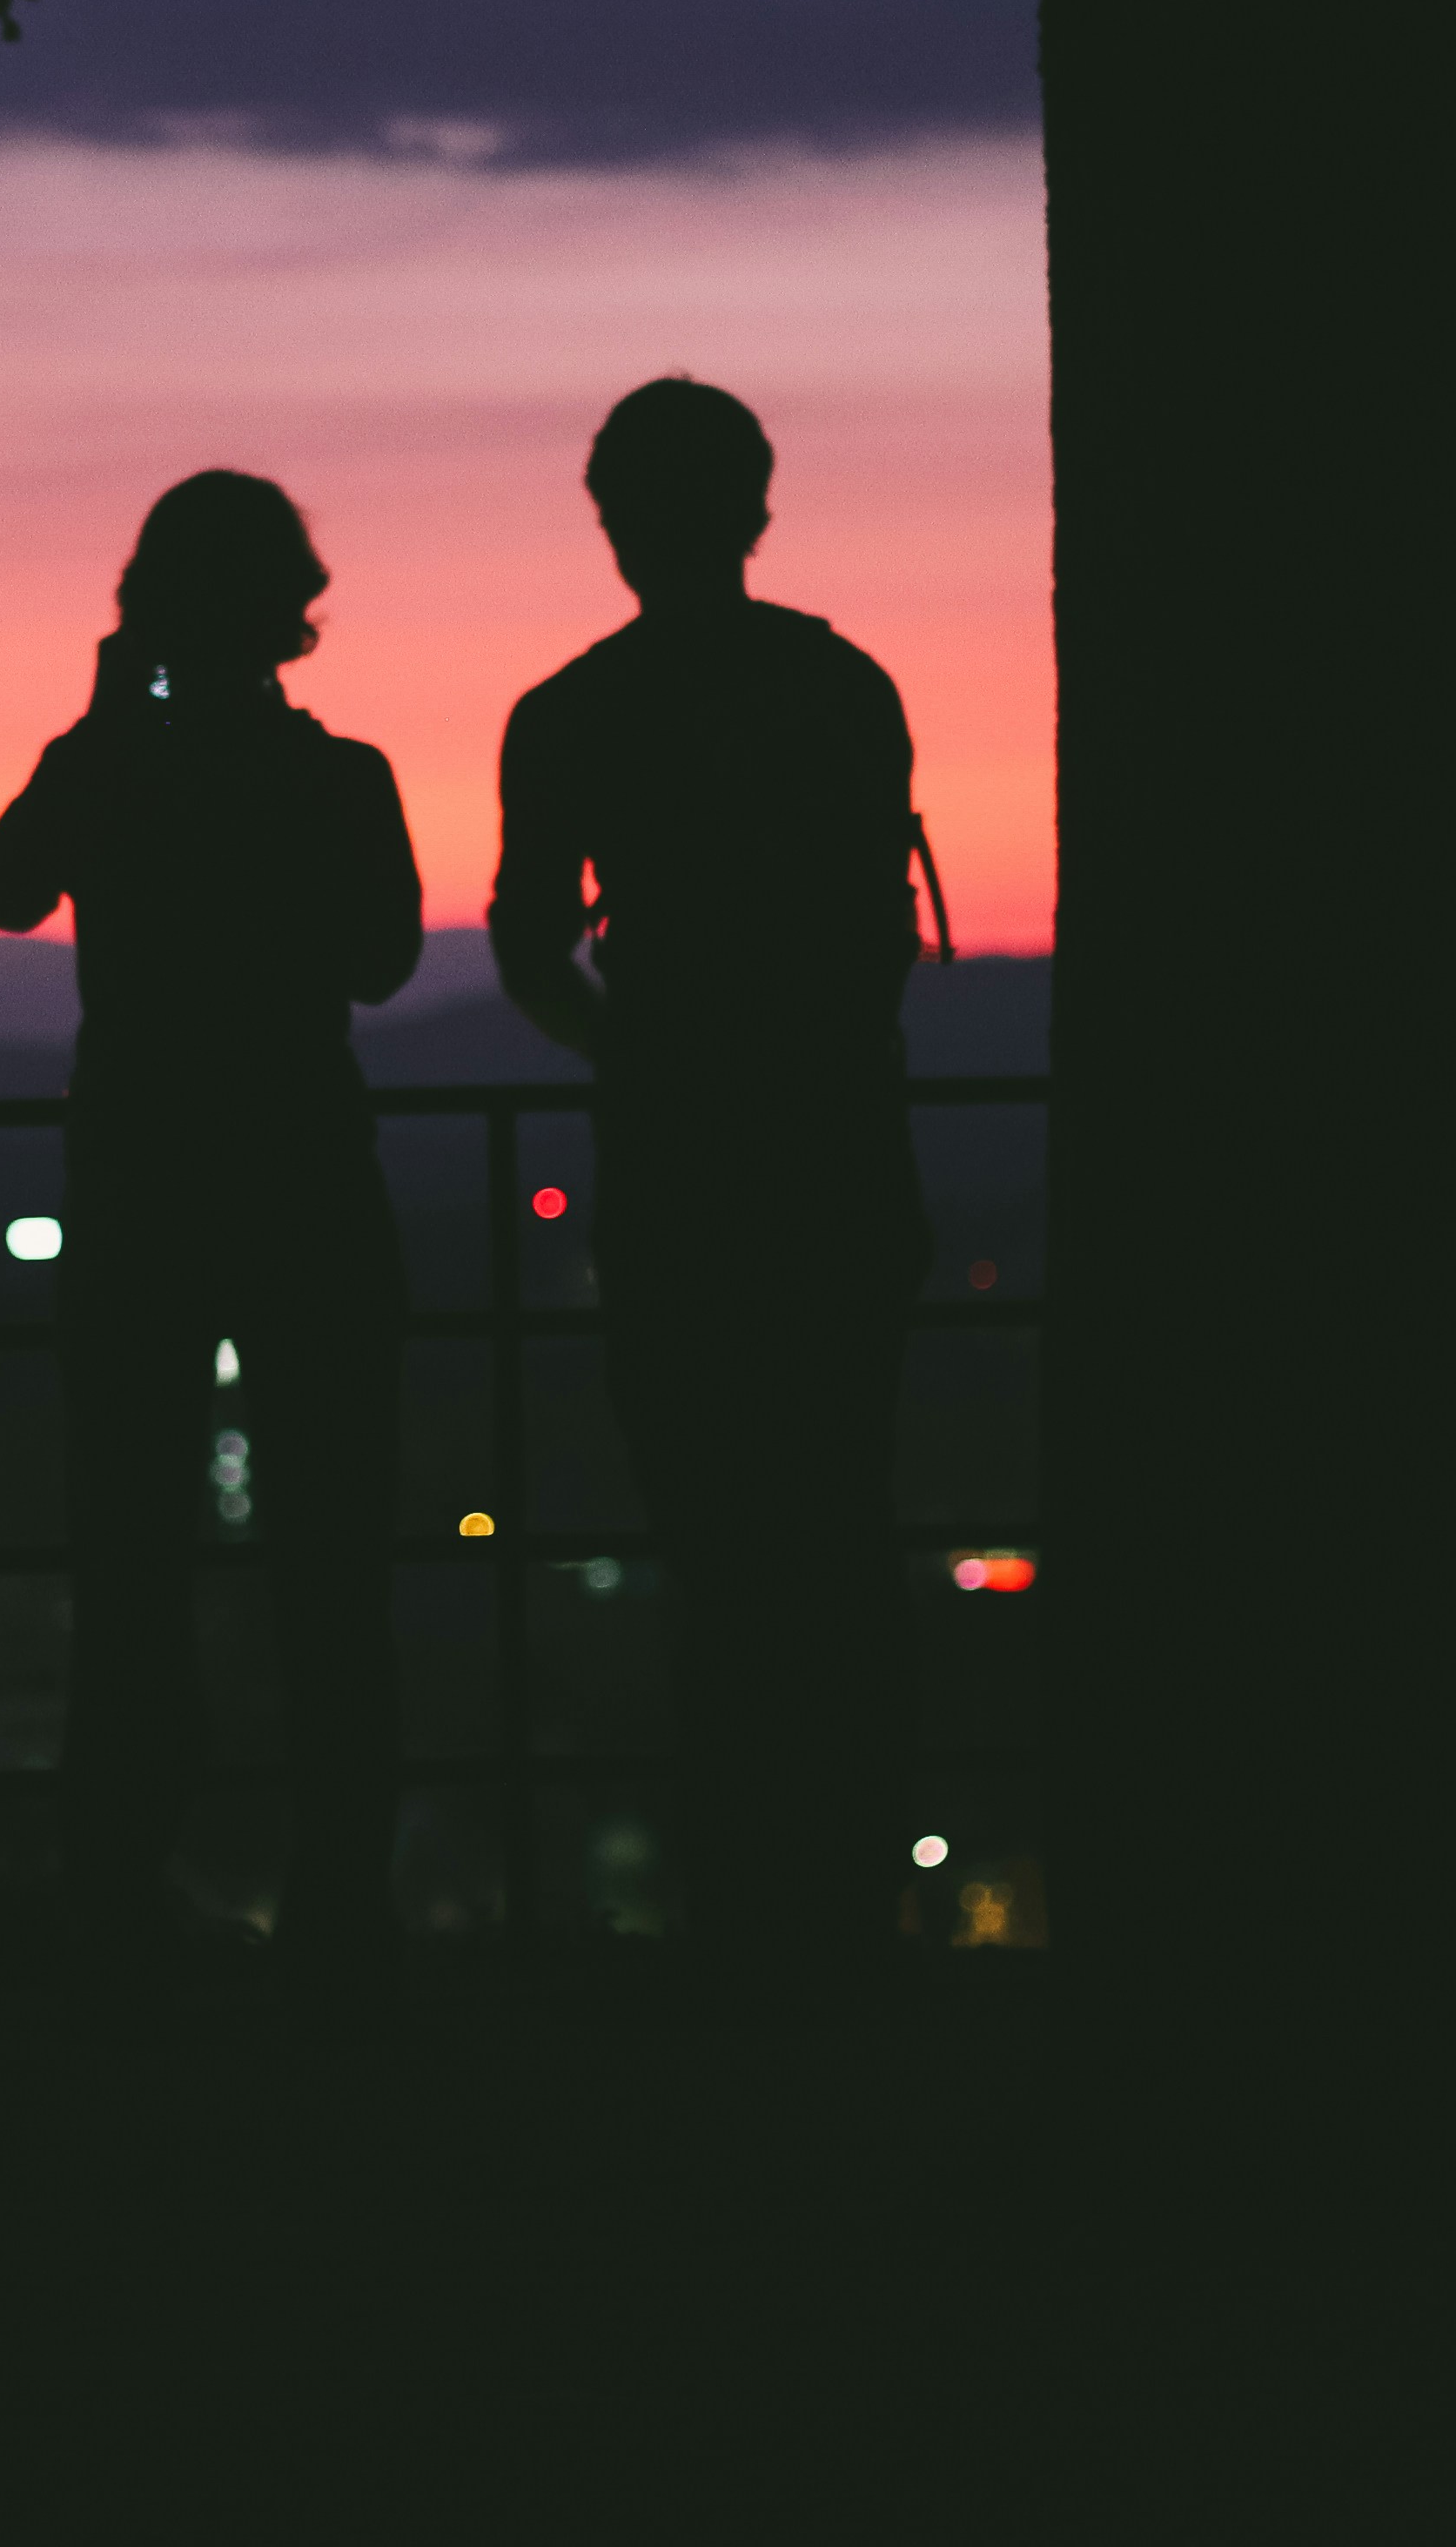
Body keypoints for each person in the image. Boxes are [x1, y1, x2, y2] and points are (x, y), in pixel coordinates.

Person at [488, 380, 930, 1972]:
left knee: (713, 1536)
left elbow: (533, 946)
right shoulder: (840, 687)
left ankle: (740, 1901)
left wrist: (637, 1055)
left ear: (618, 523)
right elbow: (884, 936)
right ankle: (850, 1896)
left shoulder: (574, 714)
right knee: (841, 1516)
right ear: (756, 510)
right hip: (839, 1151)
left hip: (679, 1170)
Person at [0, 472, 421, 1992]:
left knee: (132, 1558)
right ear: (289, 615)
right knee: (334, 1564)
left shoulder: (108, 771)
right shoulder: (343, 779)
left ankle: (119, 1896)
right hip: (307, 1183)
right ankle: (341, 1905)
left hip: (140, 1193)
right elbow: (383, 962)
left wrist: (105, 734)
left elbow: (2, 890)